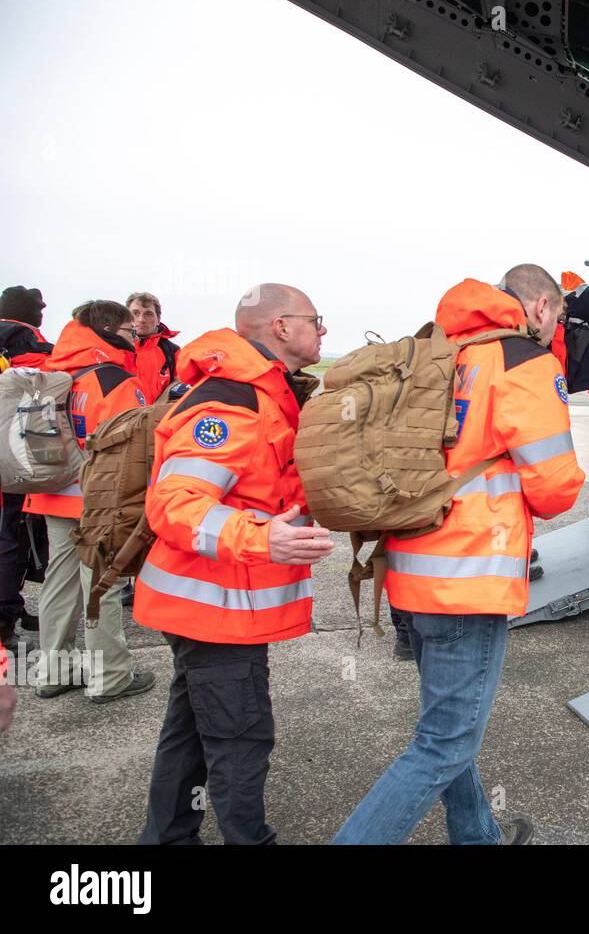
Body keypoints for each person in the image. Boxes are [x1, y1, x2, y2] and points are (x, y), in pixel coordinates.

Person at [334, 266, 583, 845]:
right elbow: (552, 487)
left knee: (447, 731)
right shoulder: (523, 361)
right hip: (468, 578)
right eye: (561, 316)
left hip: (410, 571)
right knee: (443, 743)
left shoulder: (439, 351)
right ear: (541, 306)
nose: (558, 328)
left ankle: (478, 836)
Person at [136, 283, 335, 845]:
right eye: (315, 320)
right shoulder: (233, 400)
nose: (323, 331)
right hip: (216, 607)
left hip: (209, 605)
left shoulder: (262, 393)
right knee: (240, 737)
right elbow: (175, 503)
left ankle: (168, 838)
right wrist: (259, 537)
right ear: (280, 327)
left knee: (192, 731)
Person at [27, 301, 154, 702]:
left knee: (58, 584)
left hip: (51, 491)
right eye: (130, 332)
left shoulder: (51, 371)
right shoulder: (116, 380)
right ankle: (110, 676)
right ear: (110, 332)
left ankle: (54, 671)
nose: (135, 339)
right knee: (103, 584)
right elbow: (134, 452)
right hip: (99, 500)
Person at [0, 285, 53, 652]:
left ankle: (13, 610)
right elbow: (46, 382)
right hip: (11, 456)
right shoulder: (23, 337)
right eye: (39, 306)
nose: (44, 310)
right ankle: (4, 624)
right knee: (9, 537)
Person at [126, 292, 181, 404]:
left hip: (158, 418)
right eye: (135, 313)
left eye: (148, 314)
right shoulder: (114, 348)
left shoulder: (173, 353)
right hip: (121, 418)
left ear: (158, 318)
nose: (141, 319)